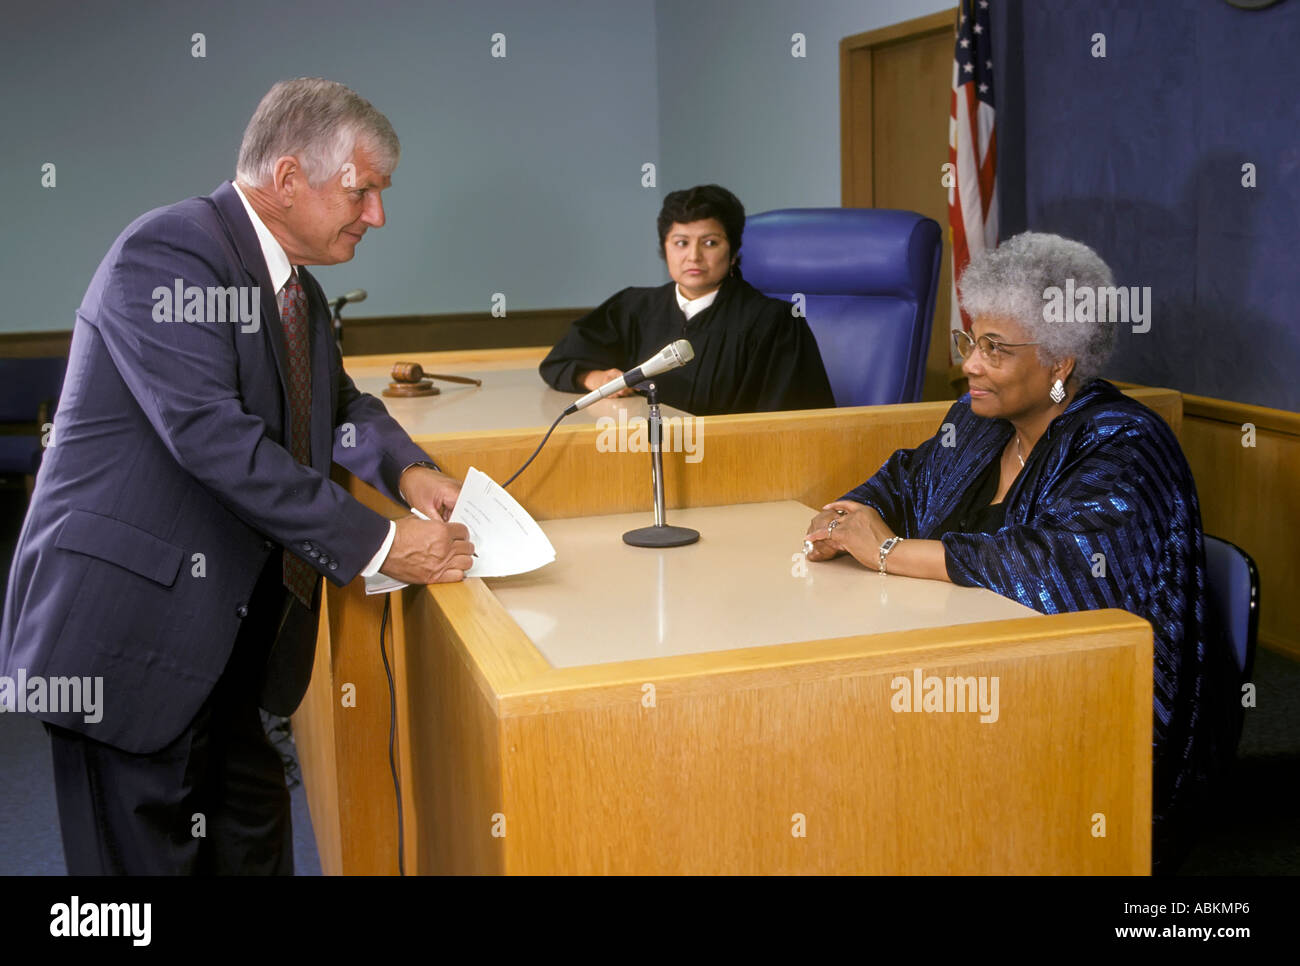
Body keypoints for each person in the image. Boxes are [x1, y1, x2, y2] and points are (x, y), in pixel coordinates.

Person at [0, 78, 475, 874]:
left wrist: (412, 471)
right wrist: (380, 543)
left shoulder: (299, 289)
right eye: (362, 193)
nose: (376, 217)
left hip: (231, 646)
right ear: (288, 179)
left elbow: (337, 406)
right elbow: (212, 435)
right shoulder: (169, 251)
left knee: (250, 846)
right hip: (128, 638)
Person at [803, 232, 1241, 873]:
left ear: (1060, 363)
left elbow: (1054, 566)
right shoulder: (979, 420)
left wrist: (888, 551)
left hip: (1089, 705)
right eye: (970, 342)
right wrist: (841, 518)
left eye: (994, 349)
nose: (970, 365)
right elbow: (901, 480)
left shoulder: (1124, 442)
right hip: (970, 666)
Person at [539, 184, 835, 416]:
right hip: (641, 456)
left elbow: (792, 425)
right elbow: (560, 361)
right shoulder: (634, 307)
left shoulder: (774, 322)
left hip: (734, 468)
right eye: (681, 242)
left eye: (710, 243)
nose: (693, 256)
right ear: (664, 249)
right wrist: (596, 379)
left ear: (733, 252)